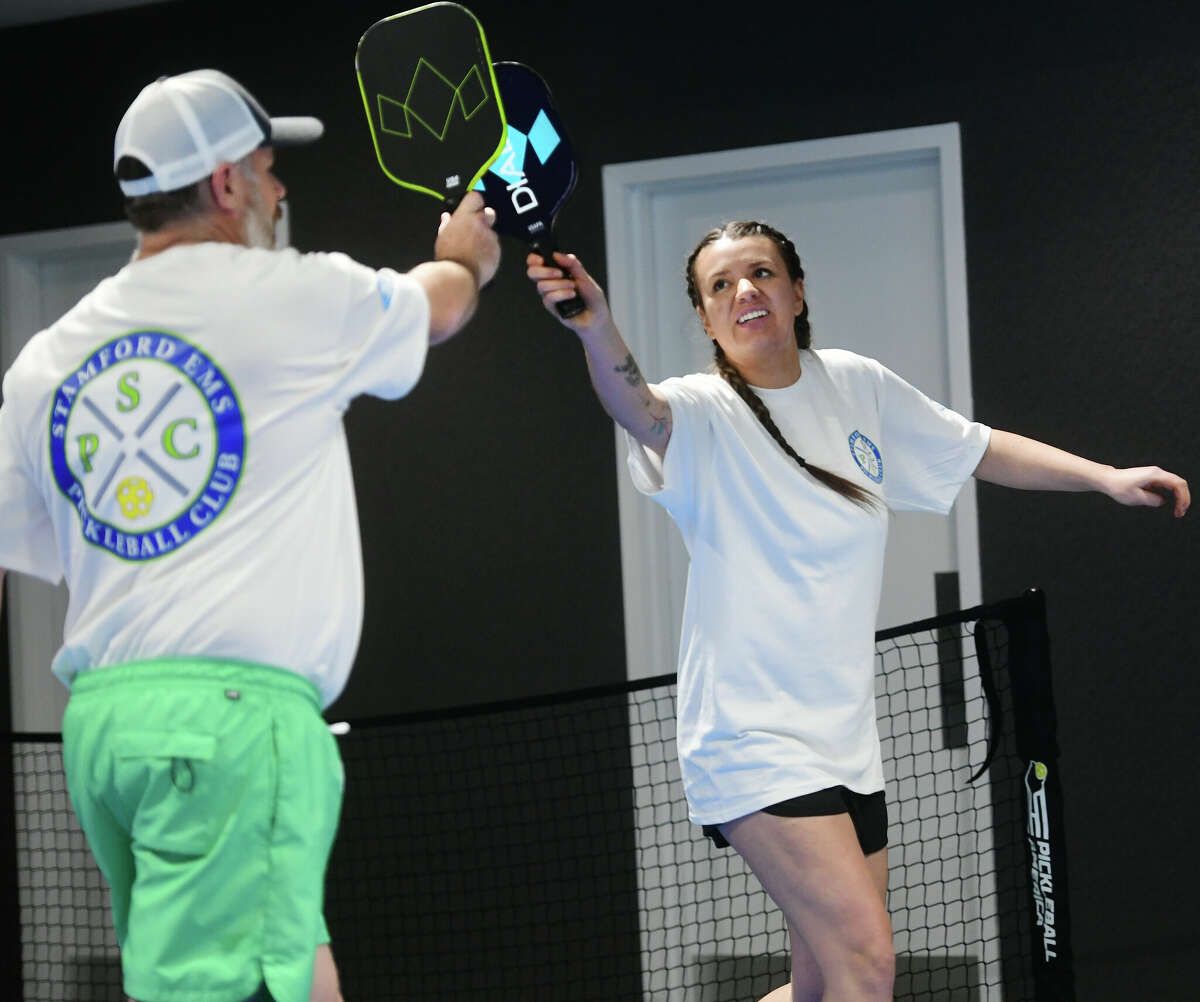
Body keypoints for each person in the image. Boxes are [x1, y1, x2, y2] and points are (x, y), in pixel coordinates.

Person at [526, 220, 1188, 1002]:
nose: (746, 291)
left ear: (796, 291)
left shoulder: (857, 385)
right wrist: (597, 330)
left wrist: (1104, 477)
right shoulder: (700, 413)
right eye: (721, 284)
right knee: (867, 963)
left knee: (819, 983)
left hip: (844, 740)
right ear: (705, 318)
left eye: (763, 273)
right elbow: (636, 407)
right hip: (750, 735)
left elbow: (975, 448)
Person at [0, 69, 500, 1002]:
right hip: (228, 728)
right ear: (227, 184)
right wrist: (468, 255)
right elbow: (436, 306)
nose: (280, 192)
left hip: (105, 730)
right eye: (269, 171)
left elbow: (33, 541)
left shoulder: (44, 362)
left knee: (295, 968)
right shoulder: (289, 294)